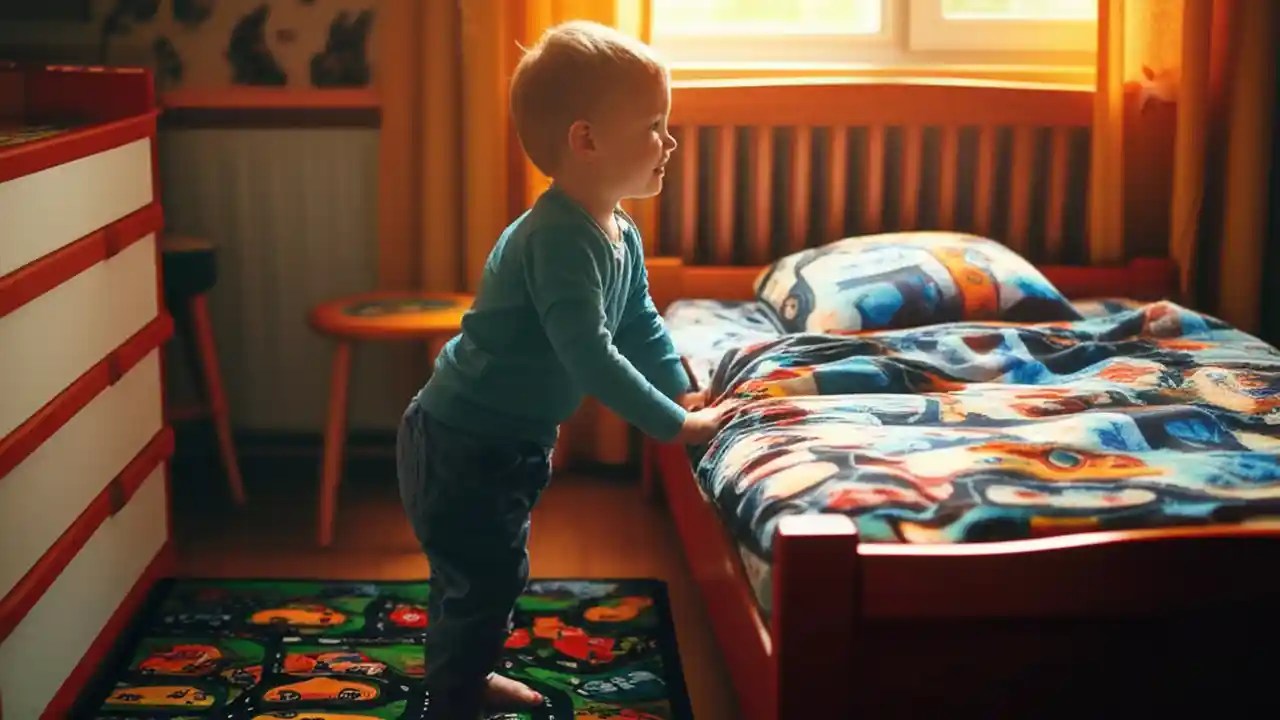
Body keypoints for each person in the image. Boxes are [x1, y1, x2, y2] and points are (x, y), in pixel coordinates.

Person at [395, 19, 729, 720]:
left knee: (481, 573)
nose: (669, 142)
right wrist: (677, 426)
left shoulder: (617, 230)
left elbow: (636, 321)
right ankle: (455, 699)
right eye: (654, 125)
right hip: (461, 441)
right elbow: (591, 354)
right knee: (484, 575)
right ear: (586, 140)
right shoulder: (558, 239)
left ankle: (462, 676)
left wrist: (681, 387)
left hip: (505, 441)